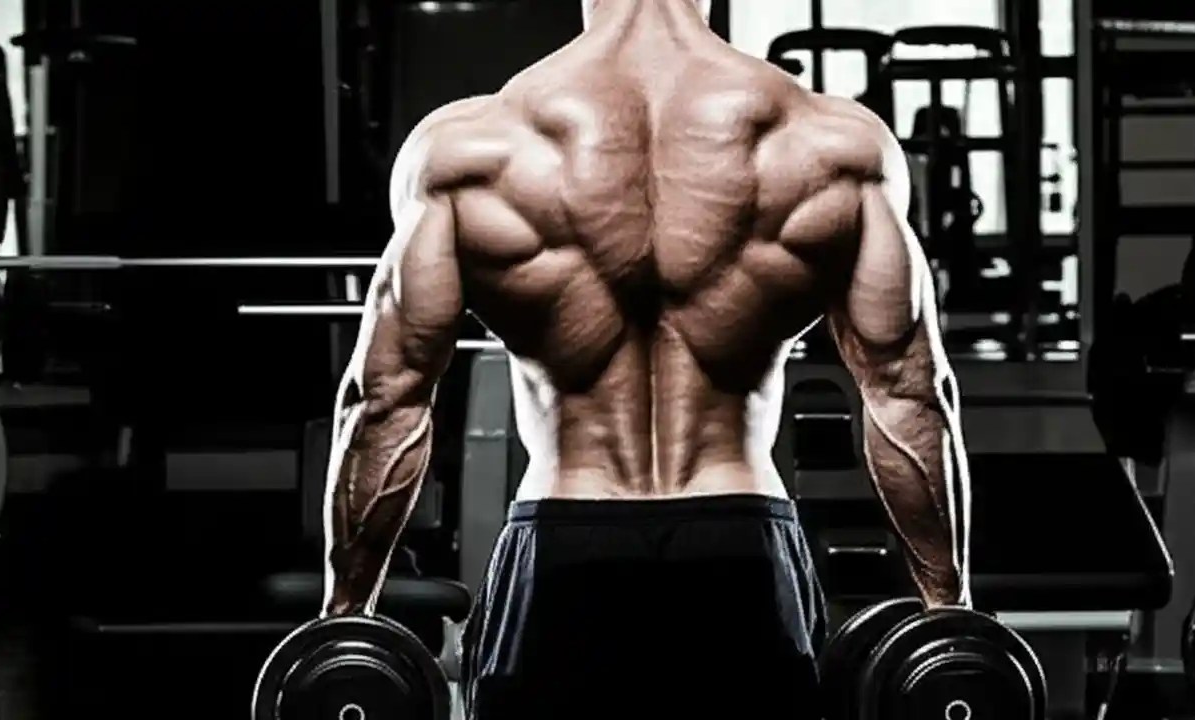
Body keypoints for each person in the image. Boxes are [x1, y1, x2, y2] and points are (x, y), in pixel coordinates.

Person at [320, 0, 973, 717]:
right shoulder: (831, 148)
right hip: (741, 550)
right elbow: (909, 392)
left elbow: (385, 400)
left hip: (563, 548)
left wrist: (345, 621)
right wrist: (951, 613)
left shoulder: (470, 151)